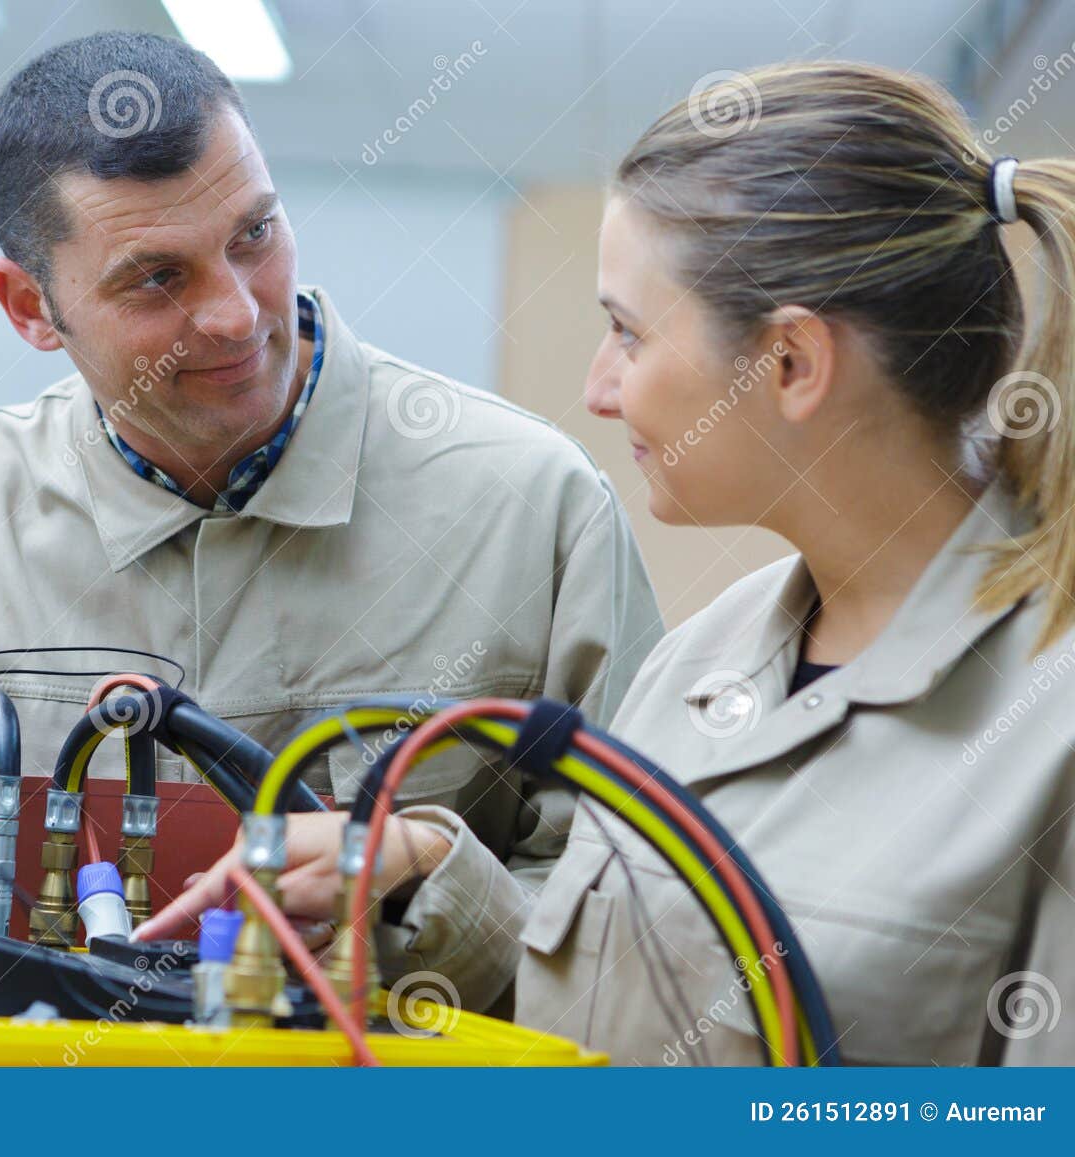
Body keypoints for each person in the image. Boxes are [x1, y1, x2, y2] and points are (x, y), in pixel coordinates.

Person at [141, 60, 1075, 1065]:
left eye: (626, 332)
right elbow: (616, 1024)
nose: (596, 388)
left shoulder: (1045, 725)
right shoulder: (700, 662)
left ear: (790, 364)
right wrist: (418, 865)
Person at [0, 28, 664, 932]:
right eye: (156, 277)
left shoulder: (536, 511)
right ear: (28, 307)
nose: (233, 313)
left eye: (253, 236)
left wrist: (424, 880)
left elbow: (658, 918)